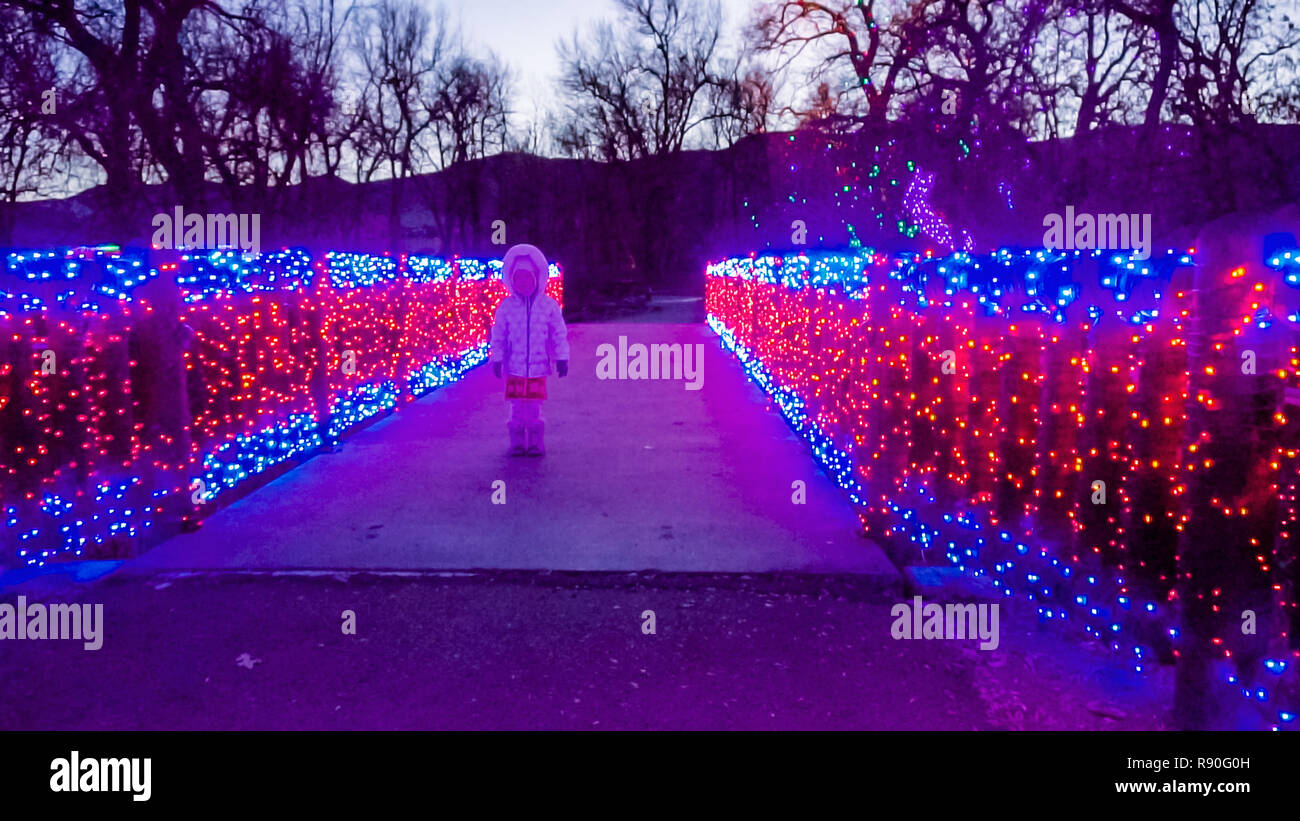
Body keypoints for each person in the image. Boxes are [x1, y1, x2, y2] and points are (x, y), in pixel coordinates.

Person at [489, 244, 569, 456]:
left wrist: (562, 357)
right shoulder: (506, 307)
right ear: (511, 281)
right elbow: (498, 334)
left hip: (538, 367)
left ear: (537, 279)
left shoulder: (548, 306)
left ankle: (535, 441)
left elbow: (558, 332)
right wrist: (496, 358)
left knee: (533, 405)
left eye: (527, 278)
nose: (523, 283)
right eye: (518, 278)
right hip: (514, 367)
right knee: (516, 405)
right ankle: (516, 440)